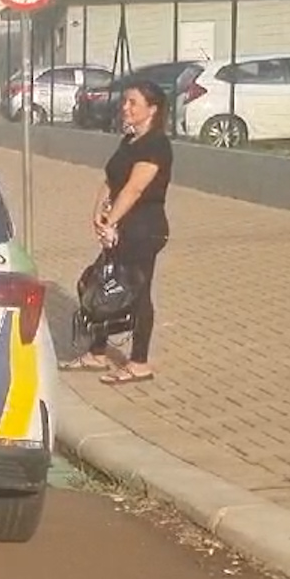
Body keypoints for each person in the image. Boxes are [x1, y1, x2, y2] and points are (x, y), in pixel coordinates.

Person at [60, 79, 173, 386]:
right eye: (124, 101)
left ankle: (139, 363)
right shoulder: (130, 141)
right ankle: (97, 353)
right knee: (97, 284)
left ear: (152, 109)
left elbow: (135, 188)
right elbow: (112, 180)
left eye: (132, 103)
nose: (125, 107)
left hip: (144, 229)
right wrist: (99, 213)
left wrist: (112, 222)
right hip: (122, 227)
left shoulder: (156, 145)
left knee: (137, 293)